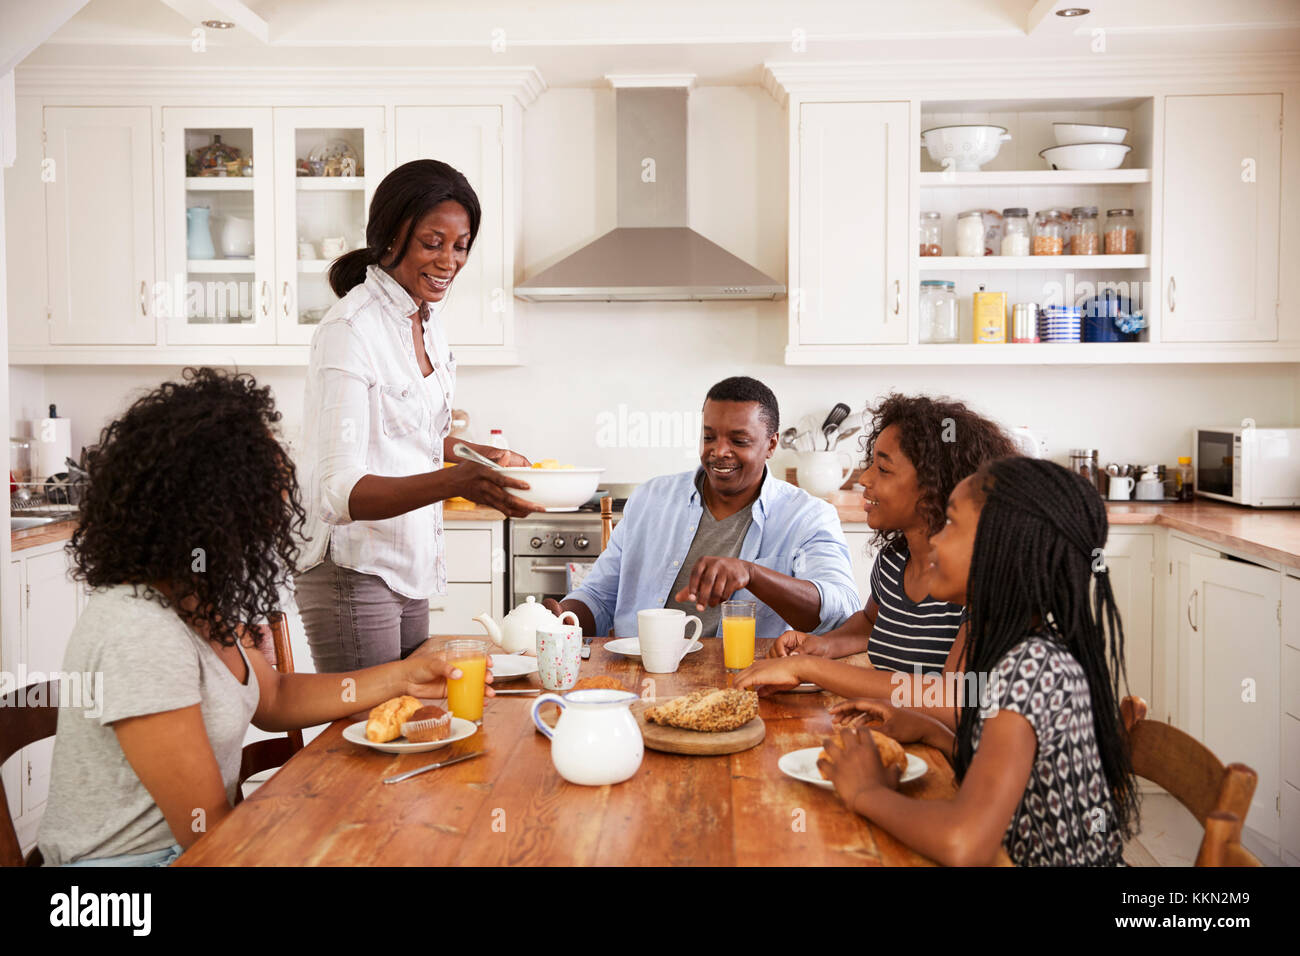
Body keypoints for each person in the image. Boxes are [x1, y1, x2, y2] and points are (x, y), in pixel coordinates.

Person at [38, 368, 489, 867]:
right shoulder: (139, 633)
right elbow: (210, 837)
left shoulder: (198, 597)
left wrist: (405, 677)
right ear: (205, 517)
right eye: (258, 511)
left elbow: (271, 697)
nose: (272, 528)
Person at [818, 457, 1138, 867]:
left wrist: (866, 793)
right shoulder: (1013, 643)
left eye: (950, 525)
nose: (934, 540)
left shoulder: (1030, 666)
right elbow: (1017, 775)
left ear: (1000, 550)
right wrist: (932, 731)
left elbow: (964, 842)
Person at [295, 159, 544, 673]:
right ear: (391, 237)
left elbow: (413, 436)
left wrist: (480, 456)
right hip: (354, 566)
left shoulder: (427, 323)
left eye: (461, 245)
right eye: (433, 243)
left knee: (410, 727)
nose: (449, 261)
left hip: (408, 563)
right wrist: (458, 480)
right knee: (369, 740)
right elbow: (337, 492)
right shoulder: (352, 329)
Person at [734, 394, 1017, 726]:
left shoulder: (975, 581)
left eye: (883, 469)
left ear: (934, 486)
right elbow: (871, 624)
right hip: (899, 732)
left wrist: (807, 668)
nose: (865, 479)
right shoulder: (895, 560)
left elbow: (952, 697)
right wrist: (822, 646)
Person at [544, 377, 858, 639]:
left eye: (739, 440)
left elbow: (841, 610)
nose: (719, 451)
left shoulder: (806, 516)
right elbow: (599, 597)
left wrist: (753, 574)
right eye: (709, 436)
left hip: (747, 682)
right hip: (641, 677)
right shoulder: (650, 500)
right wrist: (562, 617)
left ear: (771, 445)